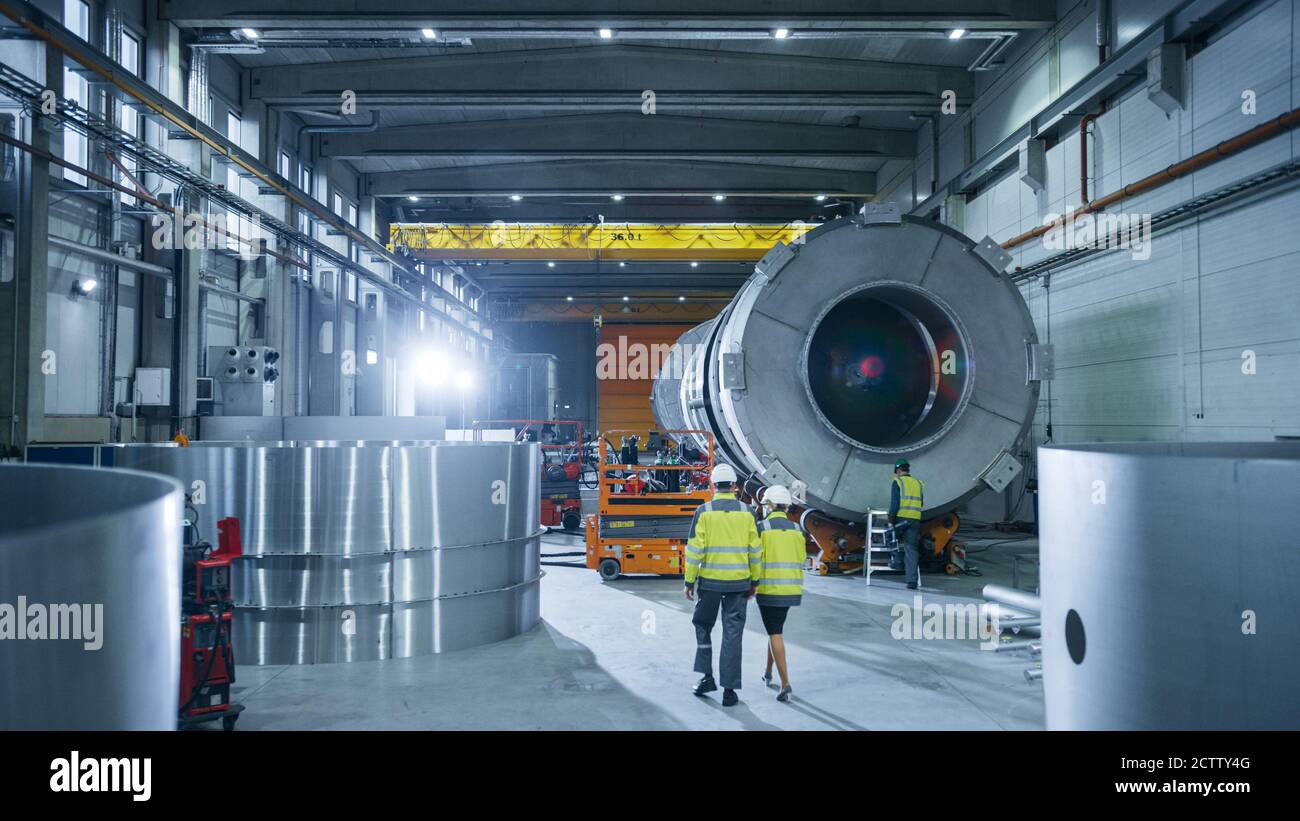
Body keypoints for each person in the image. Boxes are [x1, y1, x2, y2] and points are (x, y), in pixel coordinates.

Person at [685, 463, 761, 707]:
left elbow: (694, 550)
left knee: (703, 625)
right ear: (735, 487)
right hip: (739, 583)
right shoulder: (747, 512)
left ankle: (707, 677)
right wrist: (755, 580)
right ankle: (729, 691)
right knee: (733, 634)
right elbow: (755, 550)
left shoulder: (703, 511)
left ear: (713, 485)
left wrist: (689, 580)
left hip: (710, 583)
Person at [755, 485, 805, 703]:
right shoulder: (797, 530)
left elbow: (755, 559)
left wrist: (750, 583)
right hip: (791, 590)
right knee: (775, 629)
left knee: (775, 632)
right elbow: (801, 558)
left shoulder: (762, 528)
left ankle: (785, 685)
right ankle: (768, 672)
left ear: (770, 505)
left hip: (769, 590)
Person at [888, 458, 925, 590]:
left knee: (889, 537)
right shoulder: (918, 483)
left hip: (901, 519)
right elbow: (921, 503)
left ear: (898, 470)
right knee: (911, 549)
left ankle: (897, 562)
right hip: (915, 520)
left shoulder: (897, 482)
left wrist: (890, 521)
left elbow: (894, 504)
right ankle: (912, 582)